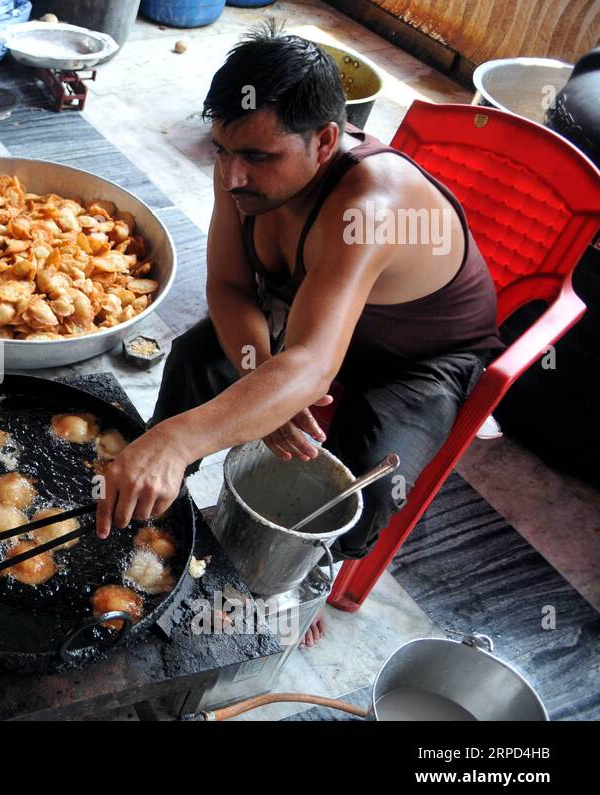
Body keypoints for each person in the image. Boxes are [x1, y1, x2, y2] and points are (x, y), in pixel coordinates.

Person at [95, 23, 503, 645]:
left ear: (326, 142)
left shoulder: (369, 208)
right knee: (198, 358)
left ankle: (303, 576)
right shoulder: (239, 171)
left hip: (415, 358)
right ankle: (160, 505)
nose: (233, 177)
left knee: (373, 468)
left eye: (260, 157)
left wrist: (188, 434)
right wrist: (265, 381)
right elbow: (230, 291)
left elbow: (312, 362)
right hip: (311, 319)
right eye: (224, 151)